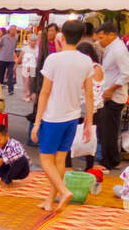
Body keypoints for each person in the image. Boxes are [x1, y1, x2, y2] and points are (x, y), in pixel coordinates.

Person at [31, 16, 94, 212]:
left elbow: (44, 92)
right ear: (81, 37)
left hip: (53, 117)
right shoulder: (86, 61)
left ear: (62, 36)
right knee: (59, 160)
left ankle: (63, 190)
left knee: (45, 159)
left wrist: (36, 121)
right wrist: (89, 122)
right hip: (72, 117)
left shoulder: (54, 59)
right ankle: (50, 200)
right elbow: (90, 95)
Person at [97, 19, 129, 169]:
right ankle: (111, 158)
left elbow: (128, 73)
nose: (99, 41)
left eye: (101, 37)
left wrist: (111, 89)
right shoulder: (112, 48)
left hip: (114, 97)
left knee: (108, 131)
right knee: (106, 130)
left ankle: (109, 161)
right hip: (108, 94)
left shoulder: (118, 49)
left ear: (111, 35)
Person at [72, 41, 106, 172]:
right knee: (79, 135)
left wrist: (90, 113)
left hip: (92, 109)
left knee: (89, 136)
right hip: (81, 107)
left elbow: (96, 94)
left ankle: (89, 167)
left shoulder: (96, 68)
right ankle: (84, 166)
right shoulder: (84, 68)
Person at [0, 26, 18, 94]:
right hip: (2, 58)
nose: (13, 31)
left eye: (15, 30)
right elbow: (0, 46)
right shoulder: (4, 37)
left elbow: (14, 47)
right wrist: (0, 54)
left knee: (10, 73)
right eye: (12, 30)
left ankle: (10, 89)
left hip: (11, 59)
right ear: (9, 30)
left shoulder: (16, 38)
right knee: (1, 73)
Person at [20, 32, 38, 102]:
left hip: (33, 67)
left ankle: (30, 95)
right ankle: (25, 95)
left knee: (32, 81)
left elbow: (37, 58)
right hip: (25, 66)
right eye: (32, 40)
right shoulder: (25, 48)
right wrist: (16, 64)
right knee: (26, 81)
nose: (33, 42)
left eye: (34, 40)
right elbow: (20, 57)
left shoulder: (37, 48)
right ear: (29, 40)